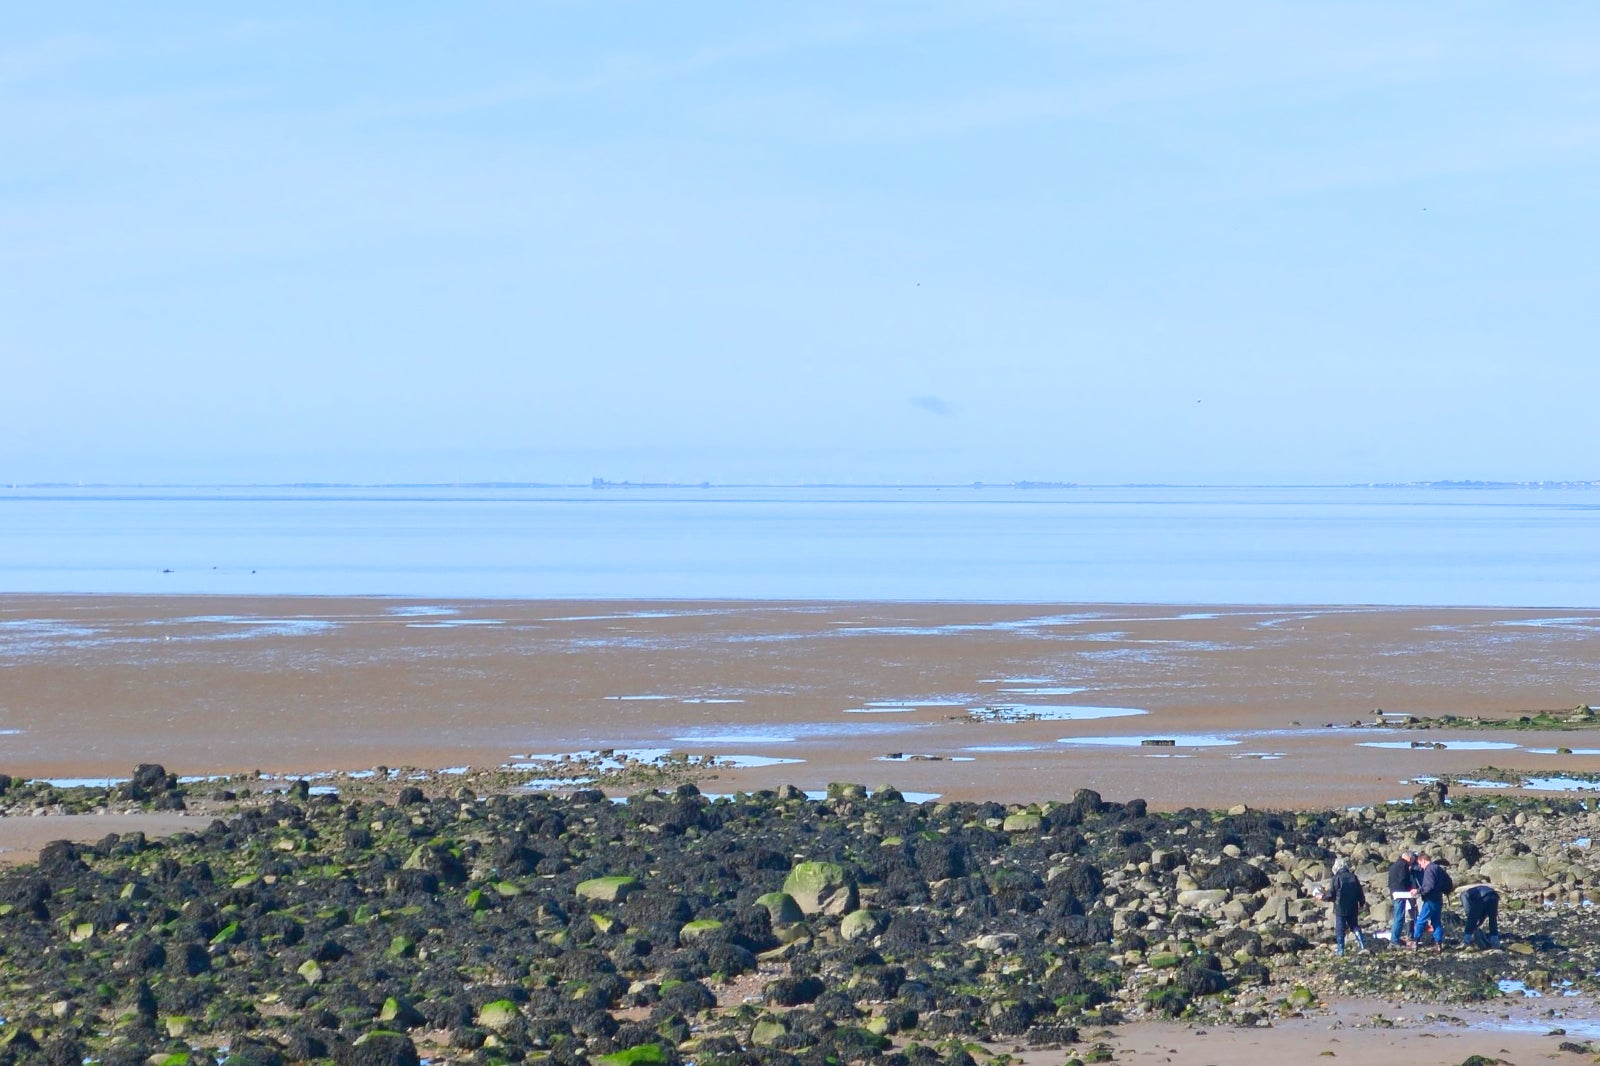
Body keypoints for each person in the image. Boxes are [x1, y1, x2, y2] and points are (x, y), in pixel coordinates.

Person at [1411, 852, 1450, 951]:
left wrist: (1418, 891)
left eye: (1420, 863)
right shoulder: (1438, 868)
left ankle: (1415, 941)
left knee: (1421, 921)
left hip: (1430, 900)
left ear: (1424, 860)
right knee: (1436, 921)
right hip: (1438, 898)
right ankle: (1438, 943)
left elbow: (1429, 886)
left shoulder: (1429, 870)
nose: (1421, 866)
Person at [1329, 856, 1367, 955]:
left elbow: (1331, 893)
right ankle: (1362, 944)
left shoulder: (1336, 878)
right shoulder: (1353, 877)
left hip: (1340, 907)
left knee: (1340, 929)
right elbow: (1360, 892)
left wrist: (1322, 897)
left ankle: (1341, 950)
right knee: (1354, 925)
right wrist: (1362, 902)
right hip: (1353, 906)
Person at [1387, 849, 1418, 946]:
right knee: (1399, 918)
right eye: (1412, 860)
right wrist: (1410, 888)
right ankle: (1394, 940)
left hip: (1394, 893)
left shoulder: (1394, 865)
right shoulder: (1404, 865)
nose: (1413, 862)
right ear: (1409, 858)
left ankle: (1395, 938)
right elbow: (1403, 879)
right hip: (1401, 894)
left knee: (1398, 916)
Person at [1458, 883, 1501, 948]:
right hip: (1494, 896)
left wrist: (1471, 919)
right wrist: (1479, 922)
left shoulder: (1463, 894)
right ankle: (1495, 941)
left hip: (1482, 897)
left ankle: (1467, 939)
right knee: (1493, 919)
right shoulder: (1473, 891)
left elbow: (1468, 909)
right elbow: (1484, 913)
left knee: (1471, 919)